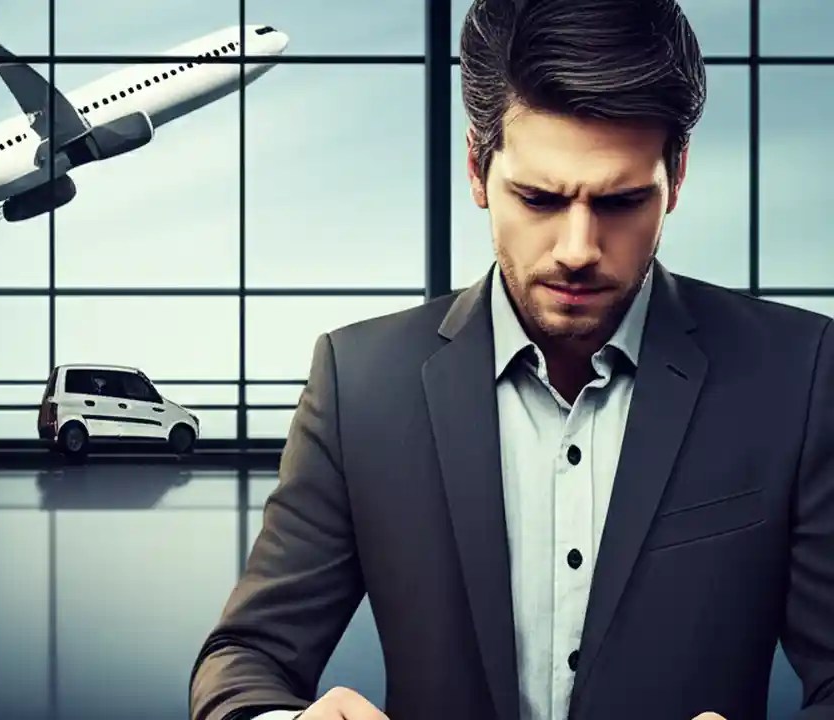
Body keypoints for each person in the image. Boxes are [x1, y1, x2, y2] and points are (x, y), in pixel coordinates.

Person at [189, 0, 834, 718]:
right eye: (538, 198)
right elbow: (244, 659)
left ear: (676, 177)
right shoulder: (361, 384)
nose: (578, 248)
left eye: (620, 202)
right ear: (476, 169)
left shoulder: (798, 374)